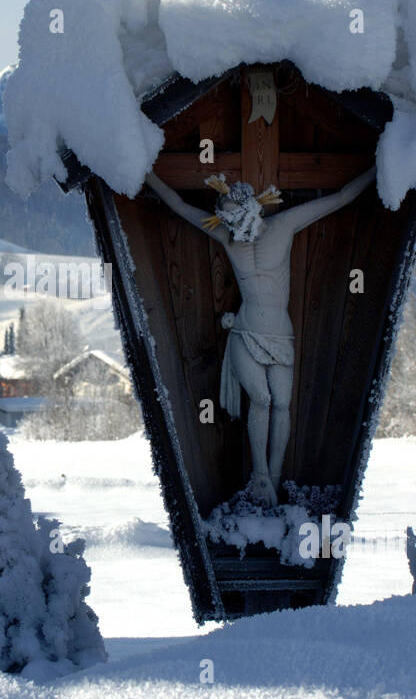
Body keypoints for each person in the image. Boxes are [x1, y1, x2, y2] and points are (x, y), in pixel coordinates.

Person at [143, 166, 377, 506]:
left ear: (252, 210)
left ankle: (276, 476)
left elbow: (340, 198)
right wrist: (148, 173)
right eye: (228, 223)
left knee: (282, 403)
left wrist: (375, 169)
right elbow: (178, 205)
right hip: (244, 331)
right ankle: (261, 477)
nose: (235, 230)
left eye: (237, 221)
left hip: (280, 335)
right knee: (262, 400)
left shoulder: (283, 226)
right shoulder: (227, 237)